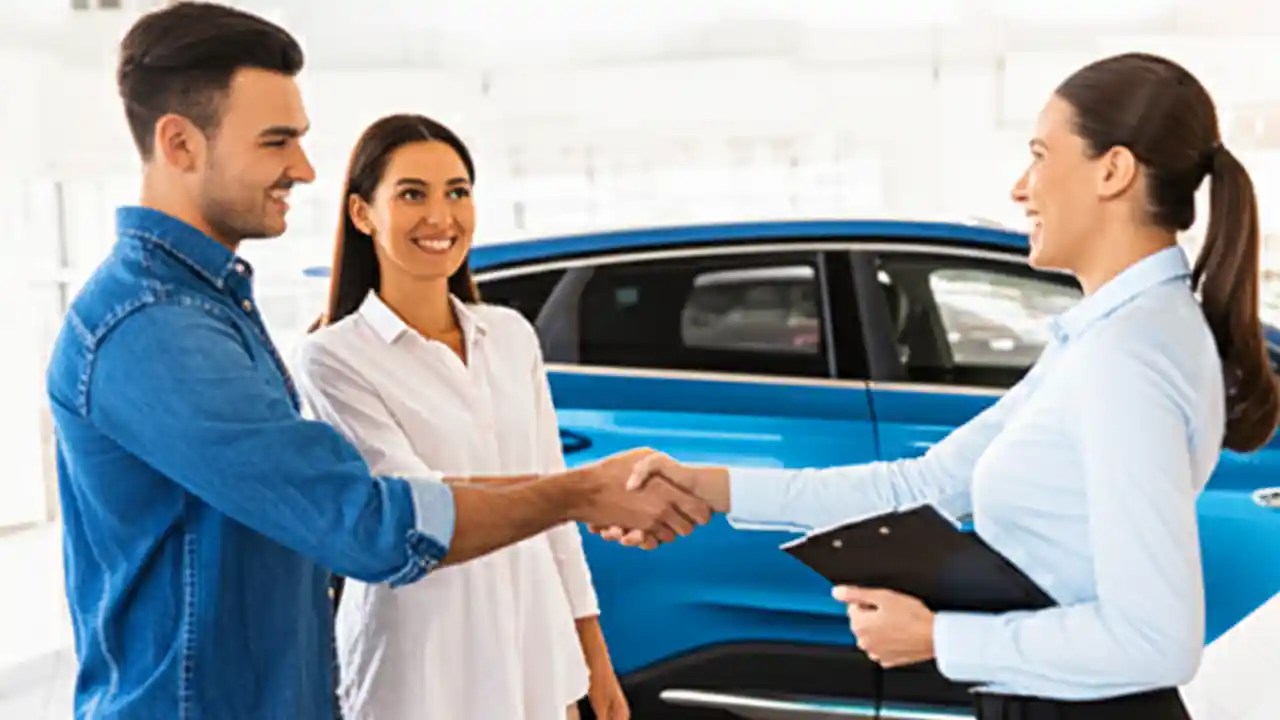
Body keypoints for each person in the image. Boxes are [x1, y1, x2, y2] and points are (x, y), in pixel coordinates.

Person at [43, 4, 706, 718]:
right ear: (180, 144)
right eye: (276, 142)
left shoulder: (208, 307)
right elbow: (362, 519)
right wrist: (573, 493)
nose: (302, 168)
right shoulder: (154, 329)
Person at [600, 52, 1280, 720]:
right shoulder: (1110, 338)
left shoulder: (1129, 356)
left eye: (1040, 155)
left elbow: (1155, 641)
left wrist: (936, 637)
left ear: (1113, 170)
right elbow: (922, 484)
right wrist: (708, 486)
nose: (1020, 187)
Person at [293, 114, 629, 720]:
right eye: (411, 194)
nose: (440, 216)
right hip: (421, 668)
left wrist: (591, 660)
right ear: (362, 214)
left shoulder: (509, 336)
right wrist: (578, 492)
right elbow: (417, 508)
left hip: (535, 656)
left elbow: (555, 516)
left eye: (457, 191)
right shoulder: (332, 357)